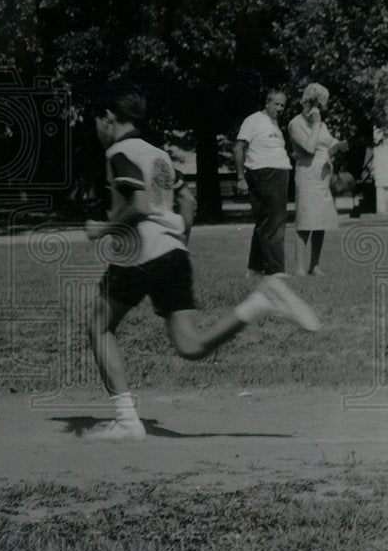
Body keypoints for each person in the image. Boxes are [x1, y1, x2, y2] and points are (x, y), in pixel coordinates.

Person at [85, 90, 321, 442]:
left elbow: (139, 204)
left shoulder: (119, 152)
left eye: (97, 123)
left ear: (107, 116)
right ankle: (261, 302)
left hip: (137, 254)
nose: (97, 130)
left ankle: (127, 420)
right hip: (171, 253)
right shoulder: (158, 154)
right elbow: (187, 199)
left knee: (98, 326)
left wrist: (103, 228)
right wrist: (179, 244)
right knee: (191, 346)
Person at [288, 83, 348, 276]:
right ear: (307, 102)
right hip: (306, 175)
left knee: (320, 221)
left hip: (323, 176)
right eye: (316, 104)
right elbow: (309, 148)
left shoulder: (322, 124)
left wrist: (339, 146)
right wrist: (314, 125)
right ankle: (299, 267)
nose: (319, 109)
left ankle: (314, 265)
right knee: (305, 220)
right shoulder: (295, 124)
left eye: (321, 105)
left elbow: (329, 142)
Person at [234, 90, 292, 277]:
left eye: (283, 105)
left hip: (279, 172)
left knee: (265, 222)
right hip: (264, 173)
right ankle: (275, 270)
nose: (280, 109)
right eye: (276, 104)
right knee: (275, 221)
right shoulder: (253, 121)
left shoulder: (275, 126)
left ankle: (255, 268)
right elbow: (238, 148)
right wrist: (241, 177)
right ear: (267, 103)